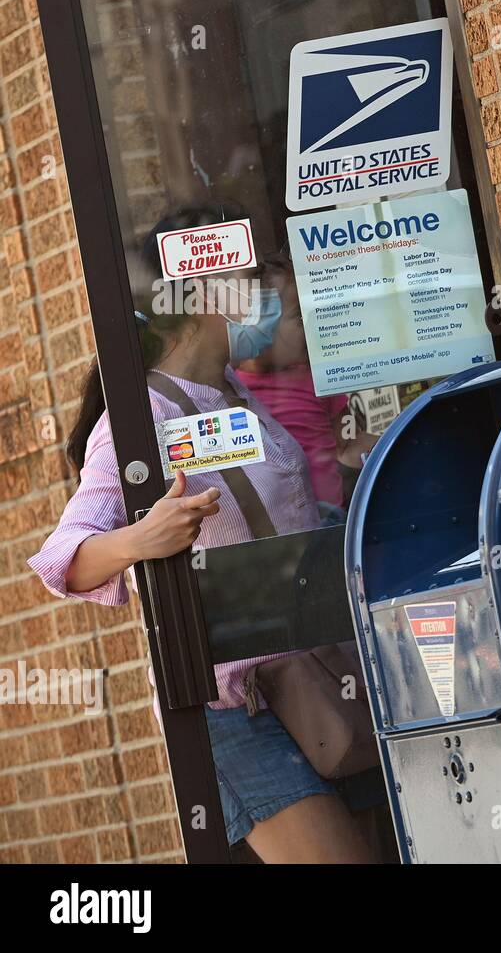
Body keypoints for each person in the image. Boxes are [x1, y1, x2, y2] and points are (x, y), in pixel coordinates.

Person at [28, 206, 376, 863]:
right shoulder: (143, 417)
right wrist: (144, 537)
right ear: (203, 300)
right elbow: (63, 559)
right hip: (234, 711)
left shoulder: (234, 390)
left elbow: (276, 516)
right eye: (253, 281)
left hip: (314, 675)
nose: (269, 298)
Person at [233, 253, 375, 520]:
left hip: (330, 520)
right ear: (260, 324)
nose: (307, 327)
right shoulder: (229, 389)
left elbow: (347, 443)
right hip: (278, 530)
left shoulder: (316, 379)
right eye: (298, 316)